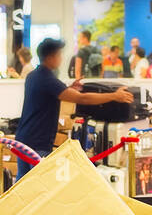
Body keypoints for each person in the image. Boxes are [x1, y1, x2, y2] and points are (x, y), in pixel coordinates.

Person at [13, 37, 136, 177]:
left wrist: (69, 88)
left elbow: (52, 94)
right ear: (51, 57)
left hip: (24, 138)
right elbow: (82, 98)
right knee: (40, 184)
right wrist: (114, 96)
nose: (61, 58)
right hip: (37, 142)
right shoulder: (47, 79)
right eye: (59, 54)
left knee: (23, 183)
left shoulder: (33, 76)